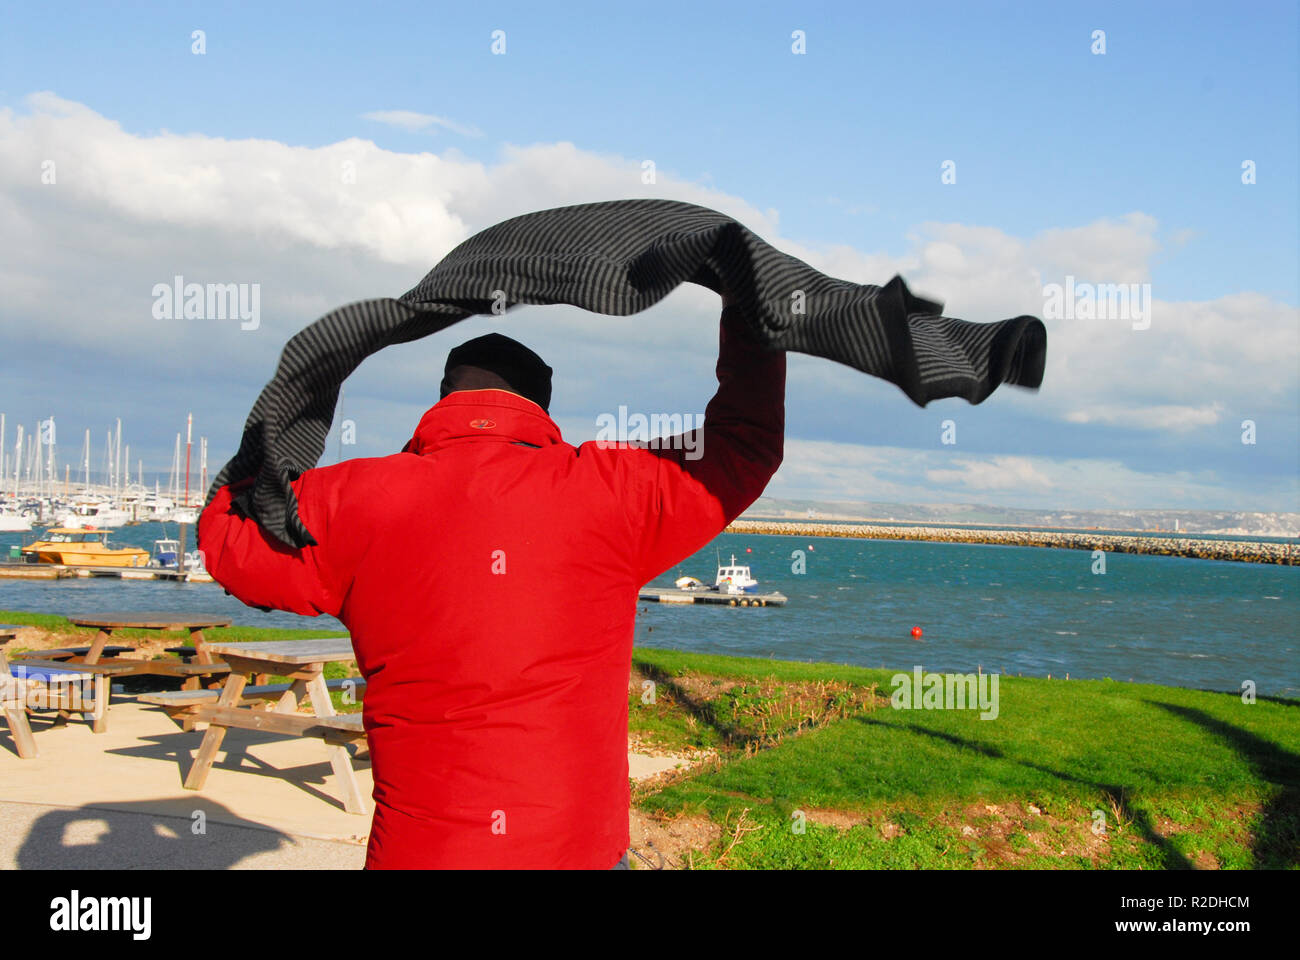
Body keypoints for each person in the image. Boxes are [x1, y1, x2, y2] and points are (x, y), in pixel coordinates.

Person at [198, 299, 785, 868]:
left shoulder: (349, 501)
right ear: (540, 410)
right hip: (575, 853)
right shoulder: (610, 491)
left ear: (444, 399)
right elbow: (745, 444)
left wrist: (300, 395)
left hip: (422, 855)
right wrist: (748, 303)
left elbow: (228, 540)